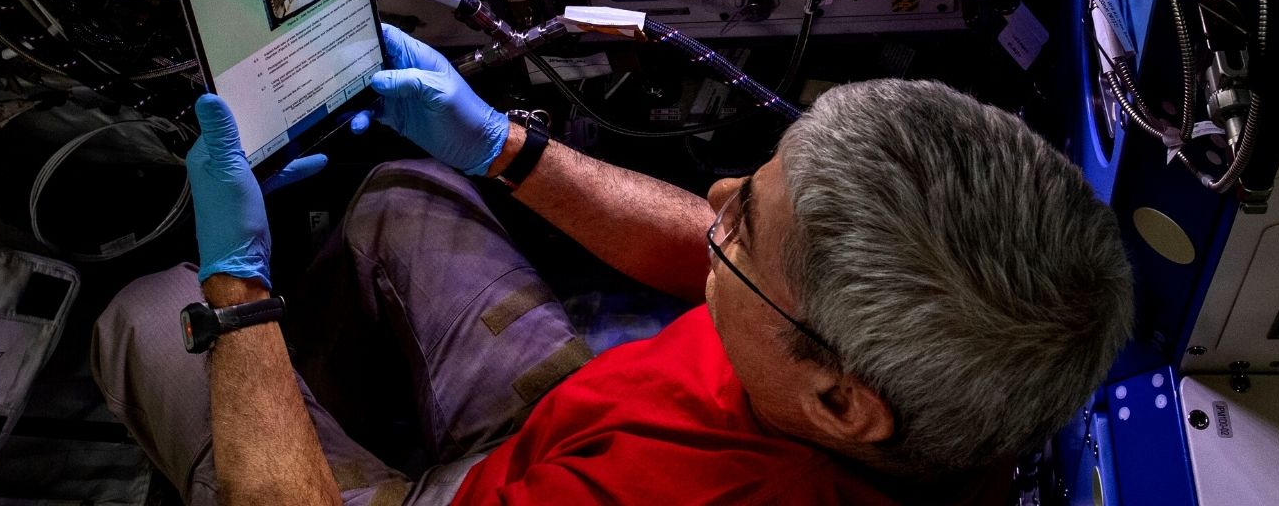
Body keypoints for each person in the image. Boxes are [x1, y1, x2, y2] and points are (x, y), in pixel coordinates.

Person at [93, 25, 1133, 506]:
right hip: (573, 420)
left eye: (742, 229)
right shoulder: (962, 372)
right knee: (403, 195)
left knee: (150, 312)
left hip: (544, 480)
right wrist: (504, 145)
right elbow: (740, 260)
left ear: (839, 402)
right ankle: (312, 421)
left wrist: (238, 290)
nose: (713, 206)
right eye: (749, 184)